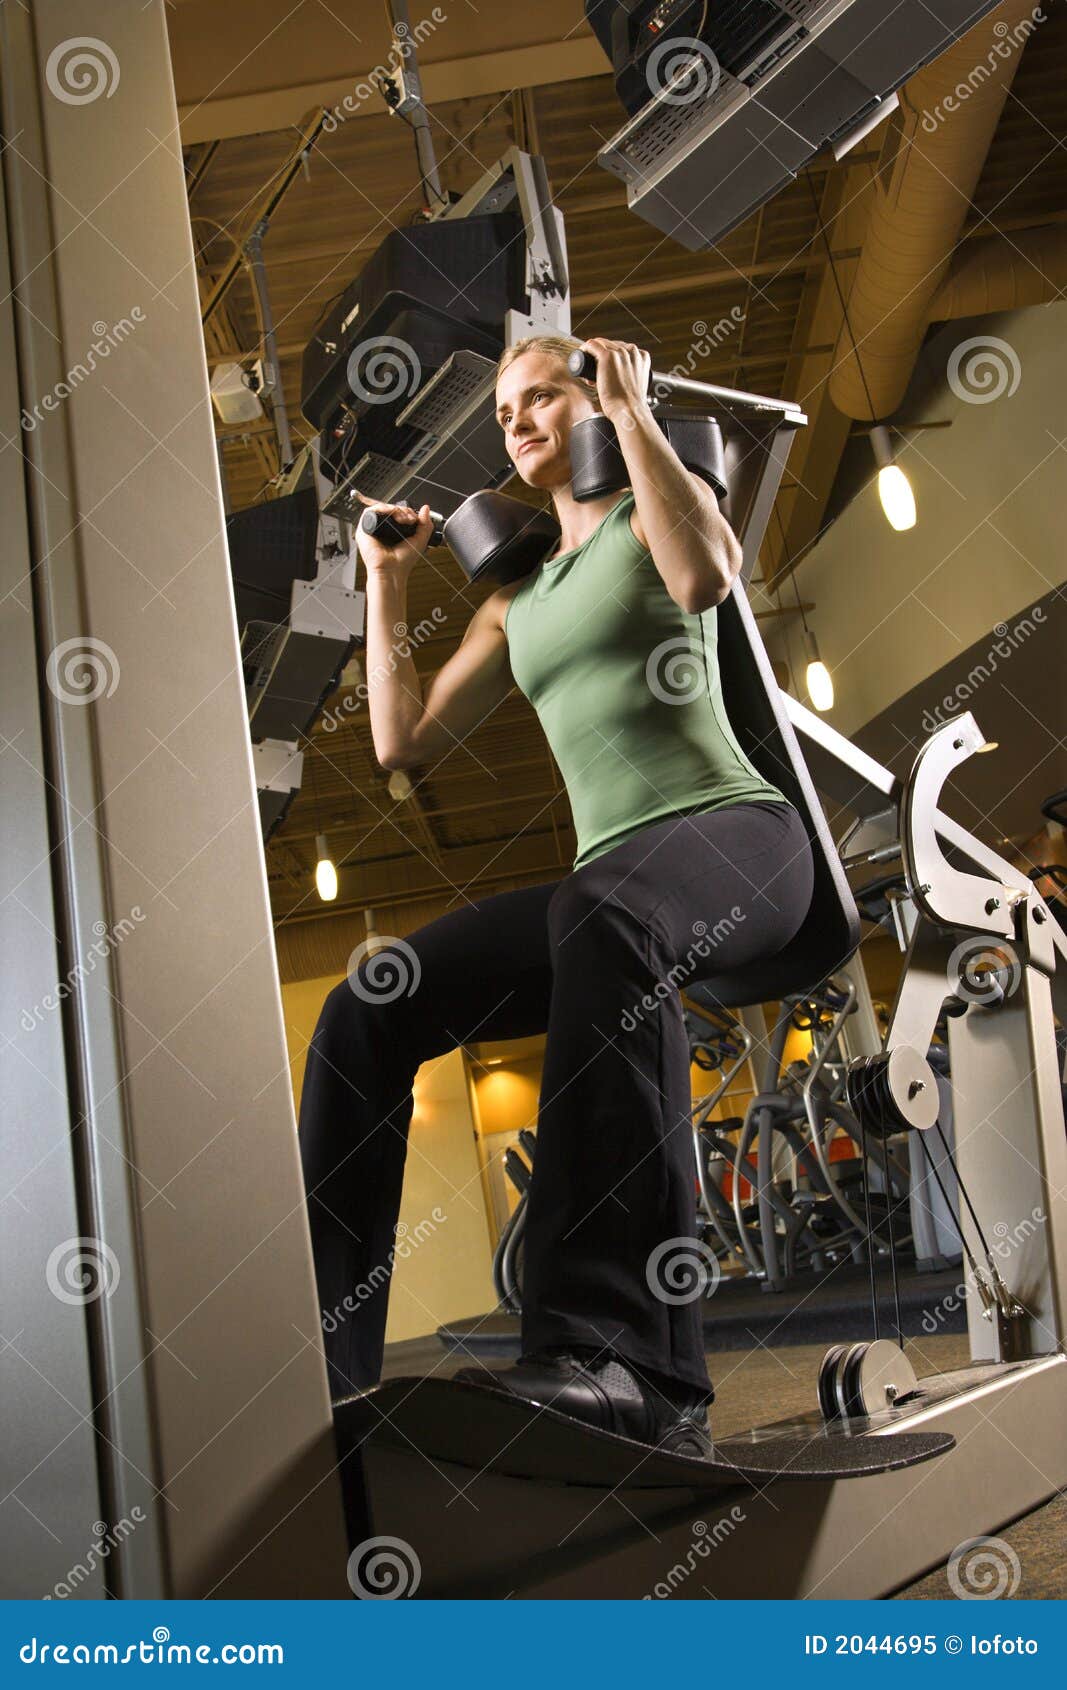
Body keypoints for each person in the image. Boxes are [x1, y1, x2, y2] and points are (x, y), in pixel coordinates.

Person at [297, 334, 815, 1457]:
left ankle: (626, 1361)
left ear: (592, 400)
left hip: (740, 839)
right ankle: (321, 1366)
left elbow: (704, 579)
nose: (515, 420)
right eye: (501, 411)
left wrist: (631, 411)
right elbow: (401, 742)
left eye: (542, 397)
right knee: (369, 1003)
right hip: (611, 888)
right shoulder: (513, 599)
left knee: (601, 913)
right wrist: (386, 586)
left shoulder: (649, 513)